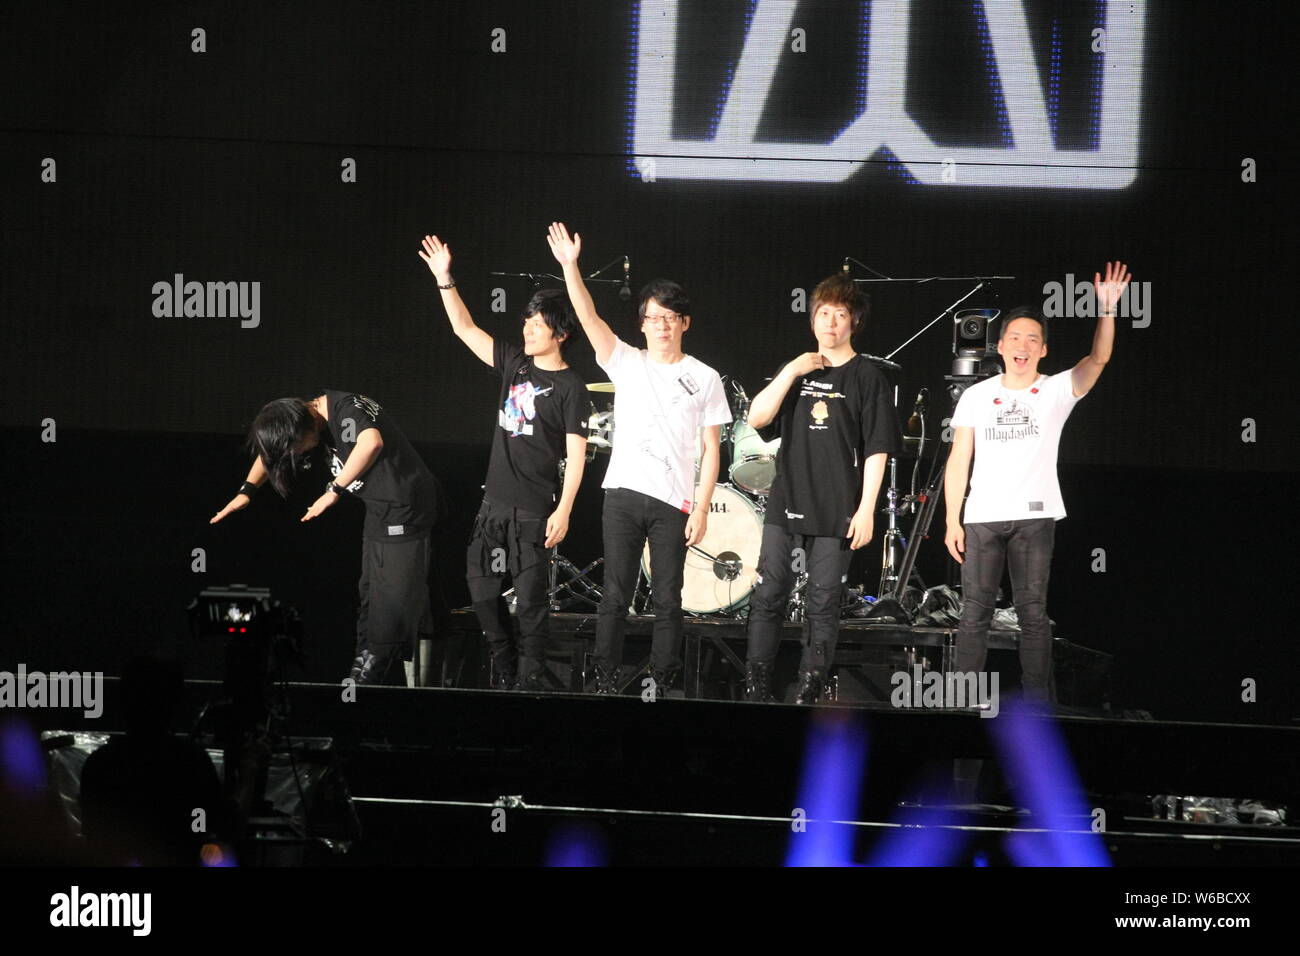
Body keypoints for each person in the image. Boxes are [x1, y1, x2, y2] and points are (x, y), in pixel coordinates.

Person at [546, 221, 731, 696]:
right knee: (615, 595)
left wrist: (702, 505)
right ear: (642, 324)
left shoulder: (705, 377)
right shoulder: (625, 360)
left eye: (669, 317)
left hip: (674, 501)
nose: (661, 325)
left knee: (669, 598)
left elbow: (713, 449)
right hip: (623, 493)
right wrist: (571, 266)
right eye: (652, 317)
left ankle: (662, 679)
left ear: (684, 323)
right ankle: (606, 680)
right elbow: (588, 319)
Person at [945, 261, 1131, 701]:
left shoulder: (1055, 390)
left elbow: (1098, 359)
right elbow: (959, 460)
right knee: (974, 614)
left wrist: (1107, 310)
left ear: (1043, 350)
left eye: (1032, 339)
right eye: (1014, 338)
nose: (1022, 346)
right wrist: (953, 518)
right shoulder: (976, 395)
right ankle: (959, 702)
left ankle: (1037, 707)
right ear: (1001, 346)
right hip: (984, 516)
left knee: (1032, 614)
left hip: (1034, 516)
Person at [418, 234, 589, 691]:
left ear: (561, 333)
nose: (527, 330)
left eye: (537, 325)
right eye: (526, 323)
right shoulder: (514, 364)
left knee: (532, 605)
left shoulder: (572, 387)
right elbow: (464, 329)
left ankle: (528, 684)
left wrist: (565, 509)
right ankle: (505, 667)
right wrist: (443, 278)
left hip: (534, 511)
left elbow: (576, 455)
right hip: (493, 507)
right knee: (481, 589)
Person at [210, 388, 441, 685]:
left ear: (304, 424)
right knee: (370, 598)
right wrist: (247, 492)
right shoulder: (312, 418)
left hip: (405, 508)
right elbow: (271, 453)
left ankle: (365, 685)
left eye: (296, 446)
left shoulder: (343, 409)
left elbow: (371, 442)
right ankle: (358, 681)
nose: (298, 453)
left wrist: (333, 491)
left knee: (390, 609)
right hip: (380, 510)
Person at [743, 274, 900, 704]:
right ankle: (756, 681)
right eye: (824, 312)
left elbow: (878, 448)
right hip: (787, 499)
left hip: (837, 507)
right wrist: (792, 370)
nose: (831, 321)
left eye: (841, 314)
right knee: (770, 591)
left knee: (824, 600)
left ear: (854, 322)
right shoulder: (796, 369)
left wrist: (867, 508)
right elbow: (757, 419)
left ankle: (811, 682)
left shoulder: (867, 376)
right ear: (813, 318)